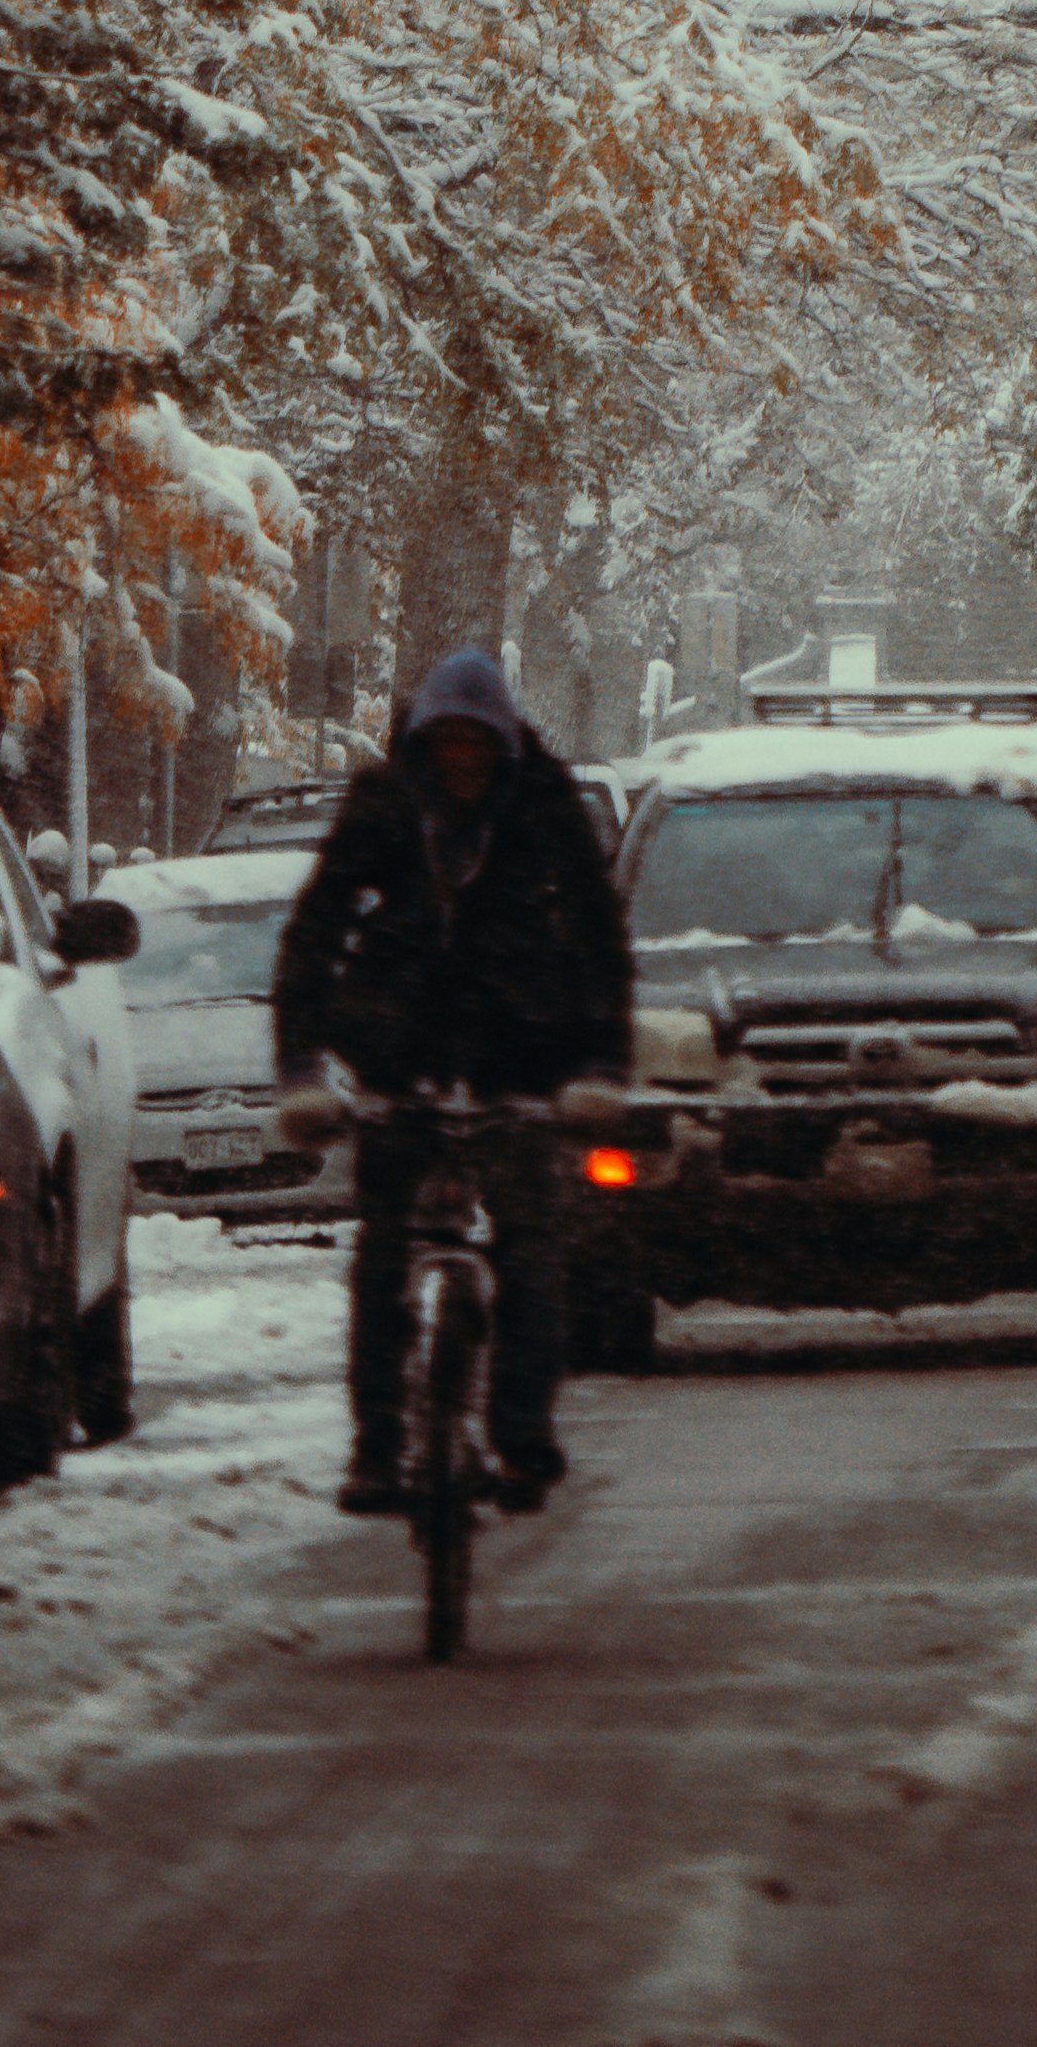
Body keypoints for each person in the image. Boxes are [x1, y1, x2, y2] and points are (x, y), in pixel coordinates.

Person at [270, 641, 633, 1519]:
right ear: (425, 743)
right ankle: (378, 1445)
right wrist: (301, 1069)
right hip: (400, 1046)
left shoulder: (545, 803)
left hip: (521, 1050)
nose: (463, 760)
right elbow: (315, 932)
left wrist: (599, 1068)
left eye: (479, 743)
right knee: (384, 1249)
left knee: (531, 1245)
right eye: (448, 743)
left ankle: (520, 1436)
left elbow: (596, 939)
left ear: (504, 743)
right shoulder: (382, 803)